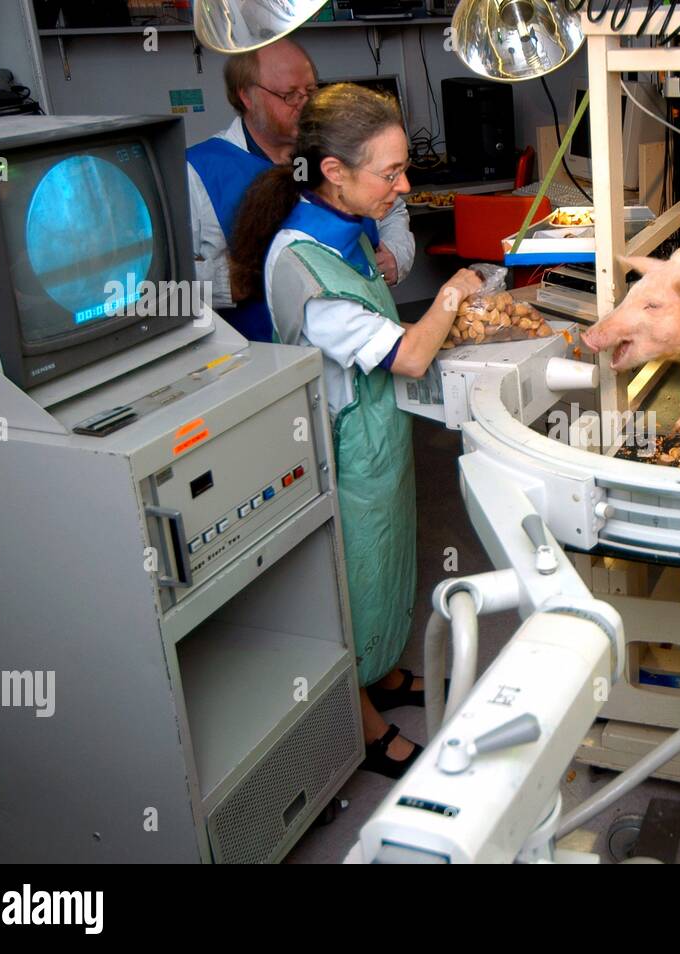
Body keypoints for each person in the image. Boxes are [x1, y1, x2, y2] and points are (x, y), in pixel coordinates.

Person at [228, 83, 482, 778]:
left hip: (378, 439)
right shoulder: (301, 262)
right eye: (390, 173)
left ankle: (381, 675)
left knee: (388, 566)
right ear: (334, 171)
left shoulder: (341, 234)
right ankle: (363, 724)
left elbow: (383, 333)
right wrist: (455, 293)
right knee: (348, 586)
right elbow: (408, 353)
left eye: (403, 169)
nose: (402, 188)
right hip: (343, 452)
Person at [186, 39, 414, 341]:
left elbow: (394, 208)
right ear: (246, 96)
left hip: (365, 345)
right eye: (290, 95)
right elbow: (167, 287)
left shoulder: (332, 148)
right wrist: (229, 283)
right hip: (263, 363)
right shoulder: (199, 170)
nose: (305, 104)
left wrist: (396, 255)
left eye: (311, 91)